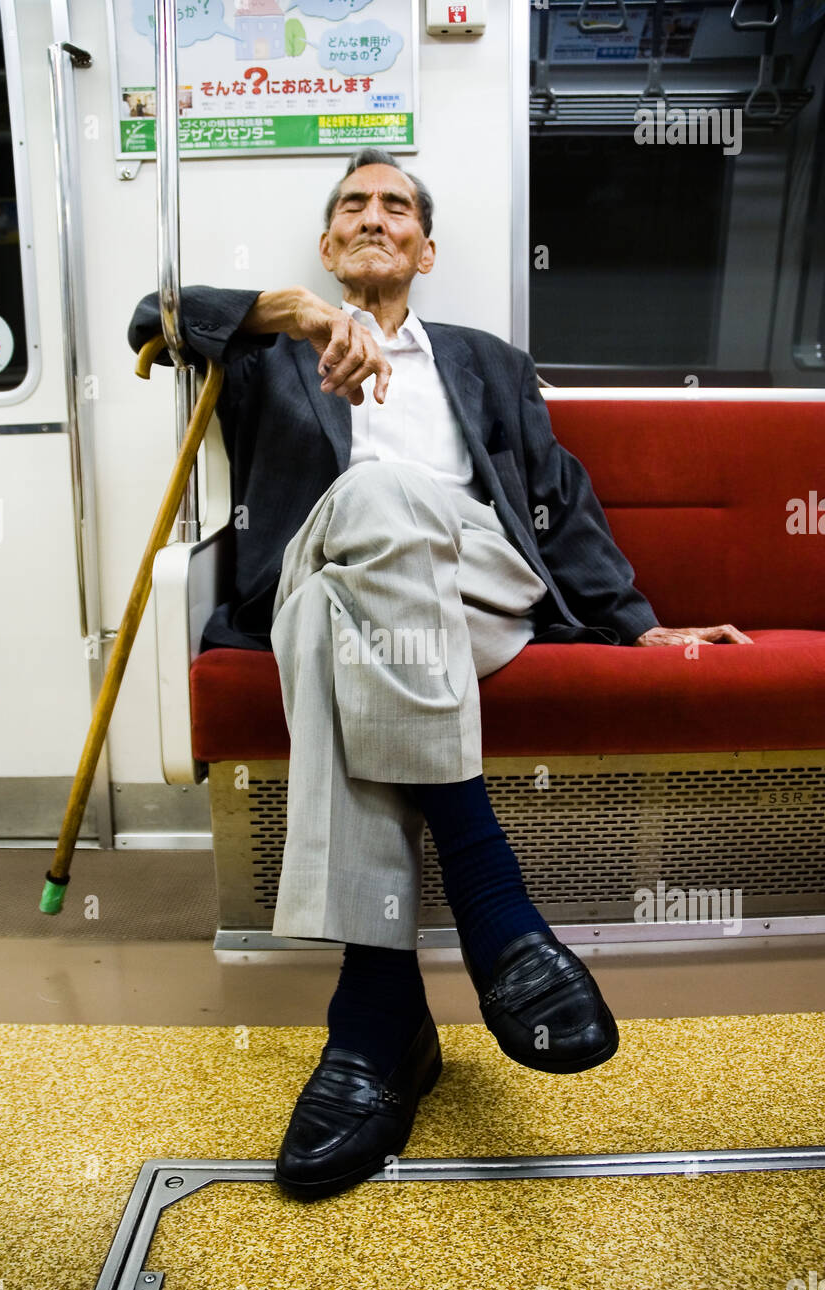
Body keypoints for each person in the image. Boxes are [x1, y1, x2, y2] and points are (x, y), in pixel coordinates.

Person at [128, 148, 752, 1202]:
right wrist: (300, 316)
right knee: (360, 541)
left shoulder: (487, 362)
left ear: (425, 247)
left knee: (383, 523)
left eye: (398, 207)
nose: (376, 218)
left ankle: (375, 1025)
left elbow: (559, 497)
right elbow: (153, 316)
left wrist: (633, 625)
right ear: (329, 246)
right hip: (322, 591)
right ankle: (490, 914)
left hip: (483, 592)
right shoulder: (270, 352)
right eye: (353, 207)